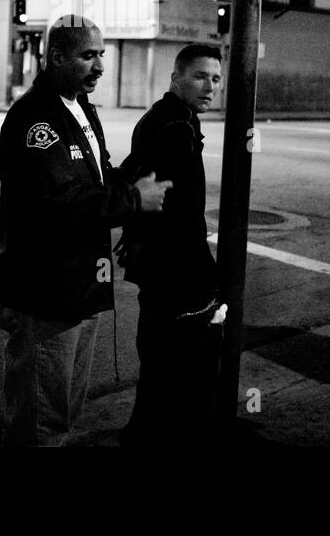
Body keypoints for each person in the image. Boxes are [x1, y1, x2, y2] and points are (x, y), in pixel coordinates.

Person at [0, 15, 171, 446]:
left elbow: (95, 181)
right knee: (41, 419)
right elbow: (57, 202)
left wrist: (137, 172)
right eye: (88, 55)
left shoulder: (80, 108)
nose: (100, 66)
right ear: (56, 57)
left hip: (78, 283)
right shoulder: (36, 119)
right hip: (44, 287)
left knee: (63, 410)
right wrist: (135, 200)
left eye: (102, 54)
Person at [116, 43, 225, 446]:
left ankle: (143, 431)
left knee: (159, 361)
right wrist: (205, 274)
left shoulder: (165, 118)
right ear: (175, 77)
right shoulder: (176, 128)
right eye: (199, 76)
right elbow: (179, 215)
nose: (209, 86)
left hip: (156, 266)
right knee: (184, 362)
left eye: (215, 78)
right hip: (176, 270)